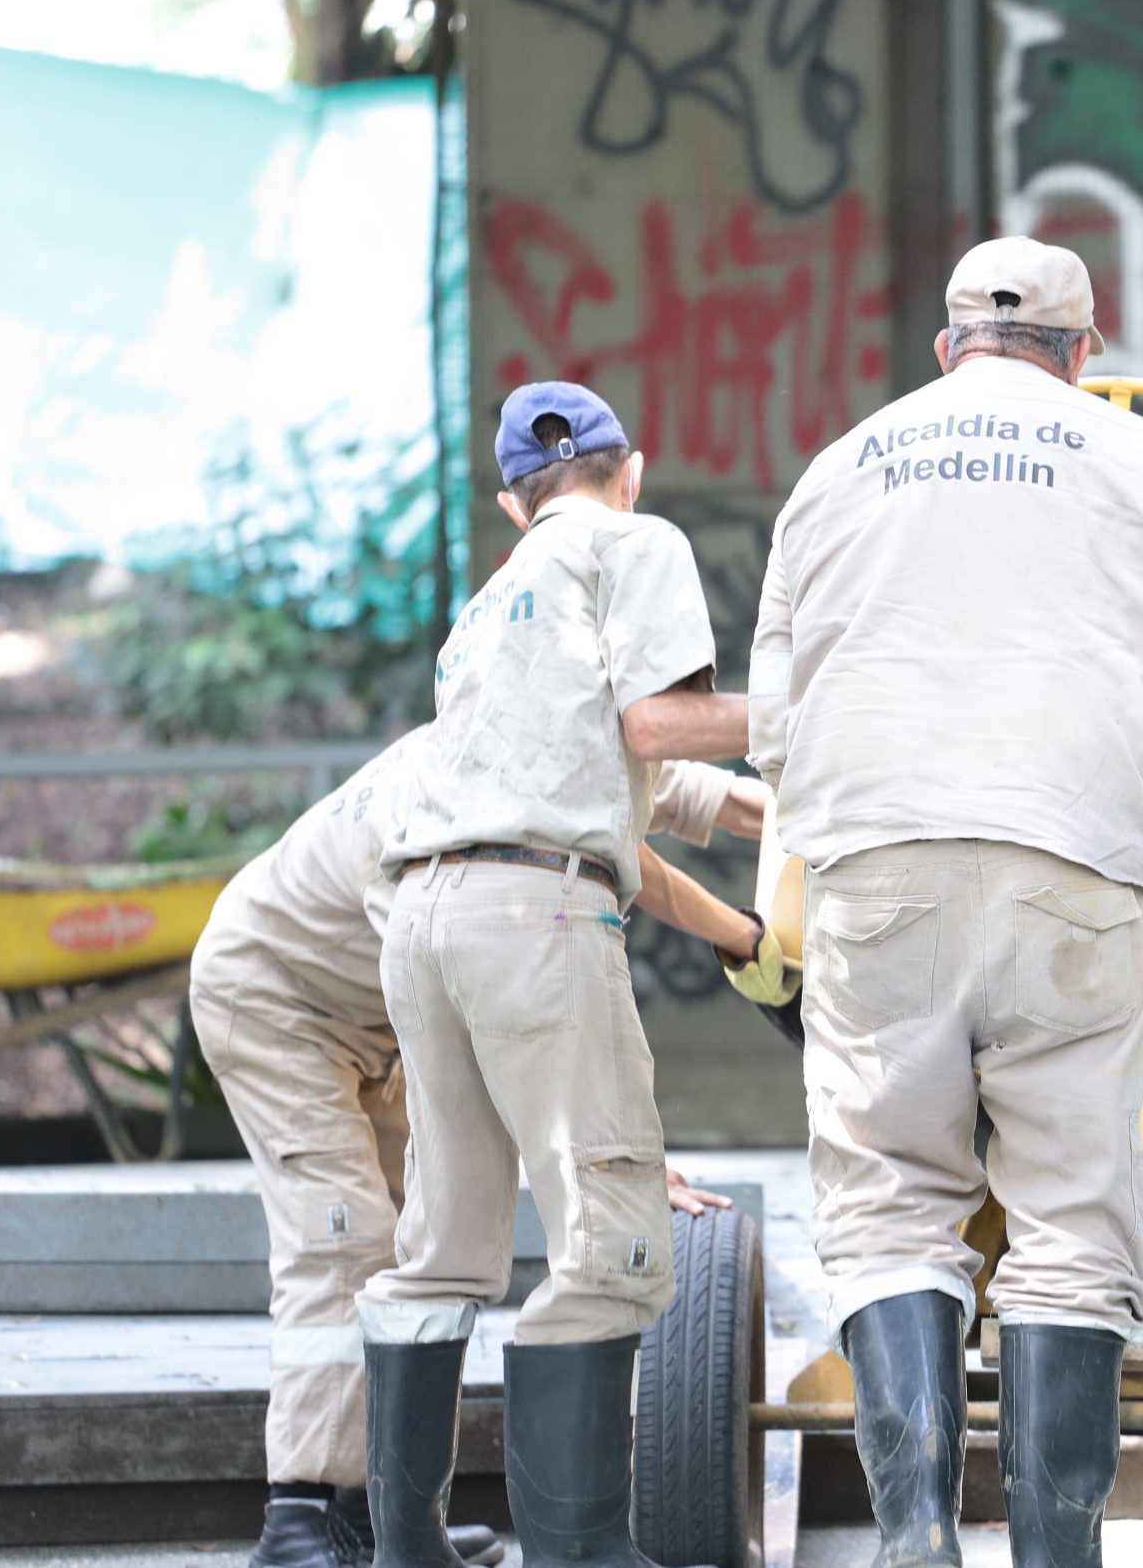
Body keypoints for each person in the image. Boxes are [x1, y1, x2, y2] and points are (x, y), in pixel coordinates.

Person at [747, 236, 1143, 1568]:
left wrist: (846, 820)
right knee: (1076, 1216)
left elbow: (775, 717)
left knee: (890, 1201)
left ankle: (913, 1528)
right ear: (1089, 349)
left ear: (945, 347)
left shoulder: (837, 468)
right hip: (1078, 859)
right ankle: (1055, 1551)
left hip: (875, 857)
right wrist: (1120, 818)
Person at [194, 729, 780, 1568]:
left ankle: (376, 1522)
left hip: (367, 1014)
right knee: (345, 1238)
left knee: (408, 1234)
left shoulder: (546, 738)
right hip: (273, 1000)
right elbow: (474, 1014)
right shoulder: (436, 814)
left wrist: (804, 823)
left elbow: (683, 791)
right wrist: (598, 1146)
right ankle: (299, 1523)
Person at [356, 380, 753, 1568]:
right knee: (610, 1238)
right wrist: (818, 704)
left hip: (425, 916)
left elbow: (629, 782)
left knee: (442, 1243)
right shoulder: (635, 542)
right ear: (628, 469)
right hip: (537, 914)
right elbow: (659, 730)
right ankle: (581, 1554)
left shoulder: (488, 606)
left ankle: (409, 1550)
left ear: (509, 501)